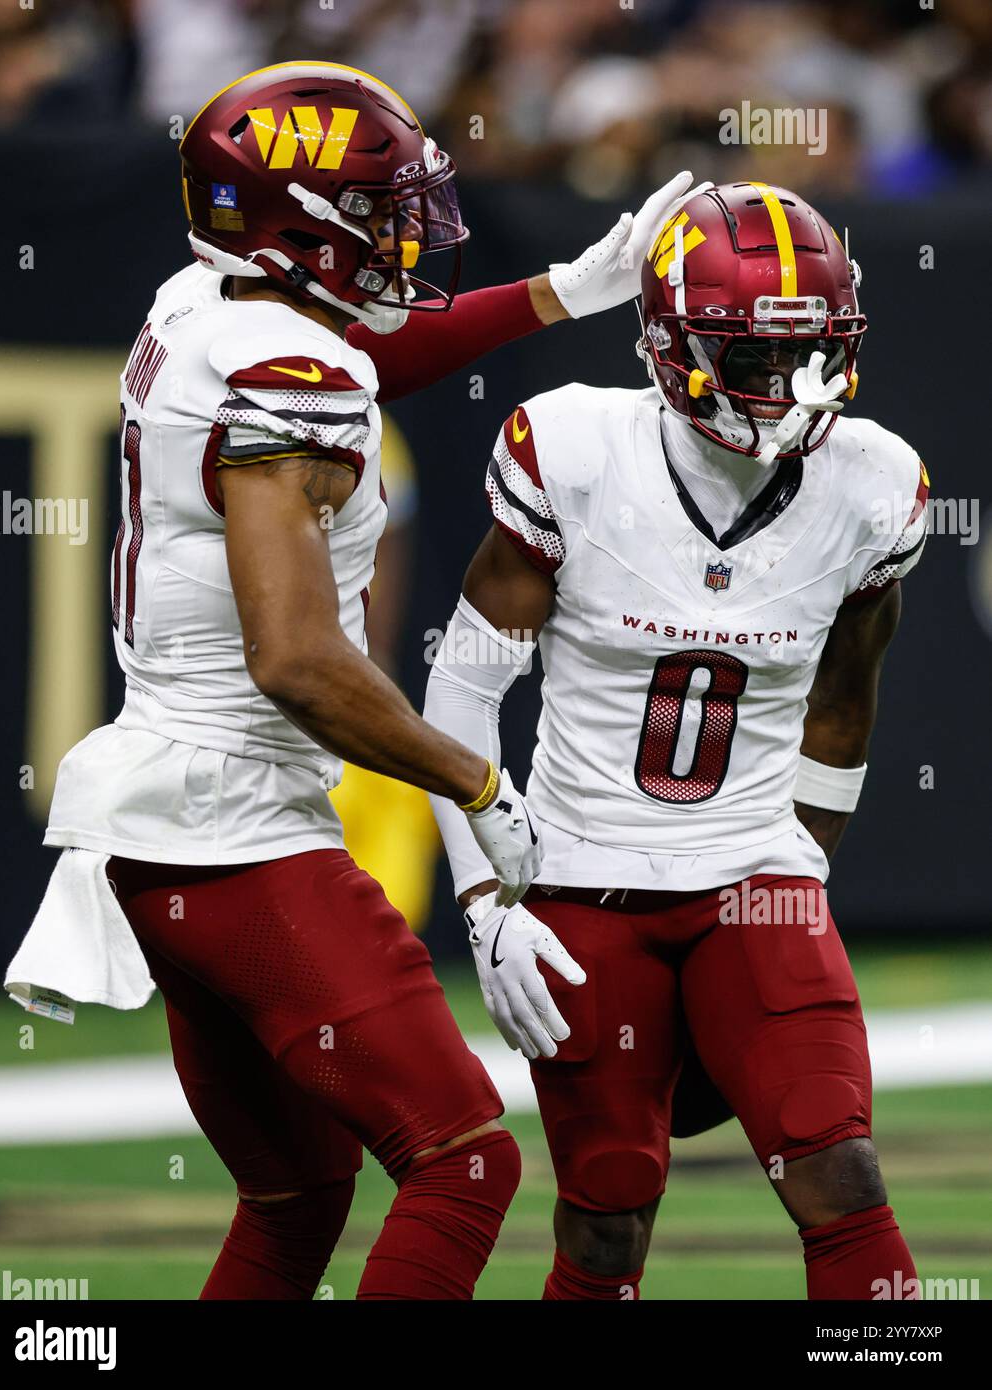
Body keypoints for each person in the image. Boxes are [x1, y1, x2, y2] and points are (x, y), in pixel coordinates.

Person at [11, 60, 698, 1301]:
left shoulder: (202, 303)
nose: (407, 233)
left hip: (162, 817)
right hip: (232, 826)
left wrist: (565, 292)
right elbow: (297, 659)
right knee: (464, 1163)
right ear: (303, 226)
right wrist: (477, 782)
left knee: (299, 1193)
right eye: (379, 208)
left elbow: (370, 361)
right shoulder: (288, 374)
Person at [425, 180, 925, 1300]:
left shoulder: (875, 482)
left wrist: (798, 871)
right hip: (580, 879)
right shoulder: (574, 448)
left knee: (840, 1170)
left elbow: (842, 702)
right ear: (670, 348)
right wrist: (481, 904)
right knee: (608, 1215)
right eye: (758, 360)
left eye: (816, 356)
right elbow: (459, 697)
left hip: (754, 870)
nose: (796, 395)